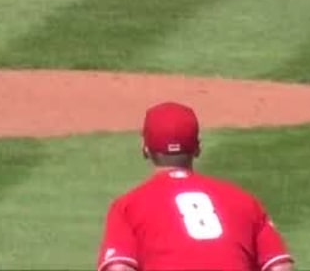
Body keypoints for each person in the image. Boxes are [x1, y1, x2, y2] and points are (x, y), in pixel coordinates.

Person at [98, 101, 295, 271]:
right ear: (198, 148)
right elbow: (279, 267)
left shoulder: (128, 206)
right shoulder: (245, 201)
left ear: (145, 150)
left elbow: (120, 268)